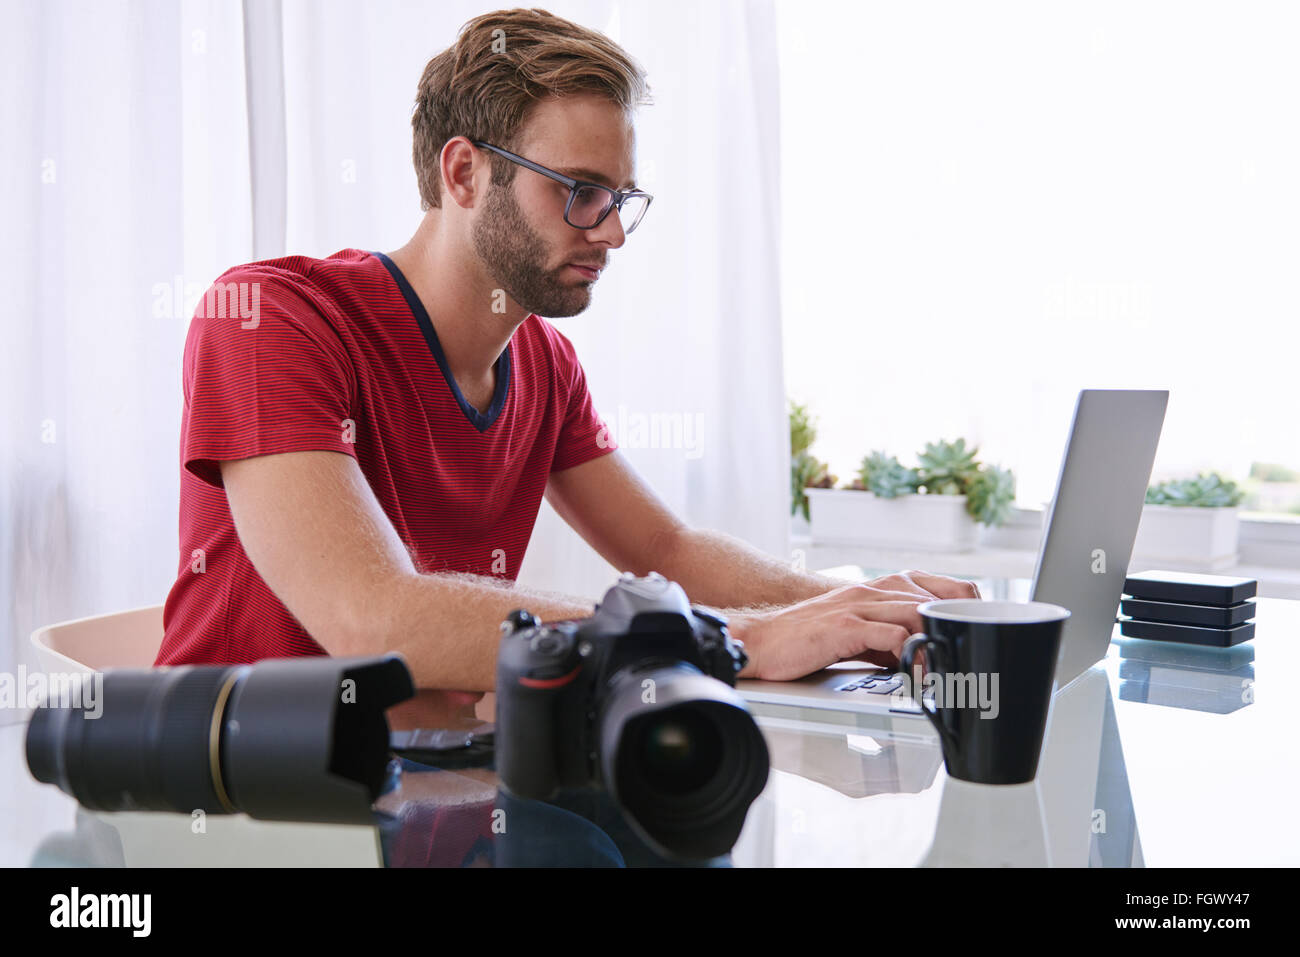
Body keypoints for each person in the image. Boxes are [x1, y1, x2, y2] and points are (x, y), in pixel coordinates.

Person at [156, 8, 978, 715]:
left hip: (434, 786)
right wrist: (737, 640)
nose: (612, 231)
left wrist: (854, 606)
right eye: (580, 190)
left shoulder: (544, 363)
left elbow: (666, 546)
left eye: (620, 198)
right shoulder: (272, 318)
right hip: (248, 799)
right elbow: (370, 616)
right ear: (465, 172)